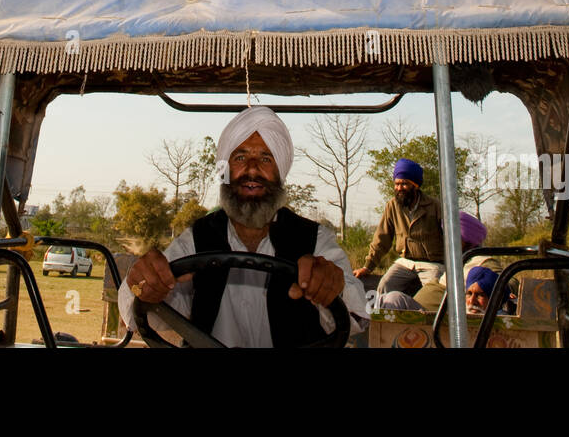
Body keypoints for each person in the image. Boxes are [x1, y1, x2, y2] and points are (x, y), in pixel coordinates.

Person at [118, 106, 369, 347]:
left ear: (280, 173)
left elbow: (358, 317)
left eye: (265, 158)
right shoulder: (197, 238)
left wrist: (334, 286)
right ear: (226, 170)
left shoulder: (315, 240)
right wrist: (140, 284)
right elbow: (142, 310)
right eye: (240, 157)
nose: (251, 169)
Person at [354, 158, 453, 297]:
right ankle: (383, 319)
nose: (399, 188)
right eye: (397, 184)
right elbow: (381, 239)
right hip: (405, 262)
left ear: (415, 185)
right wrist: (367, 266)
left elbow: (451, 238)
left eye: (404, 184)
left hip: (432, 264)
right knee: (384, 286)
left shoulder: (435, 206)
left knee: (433, 295)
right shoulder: (392, 206)